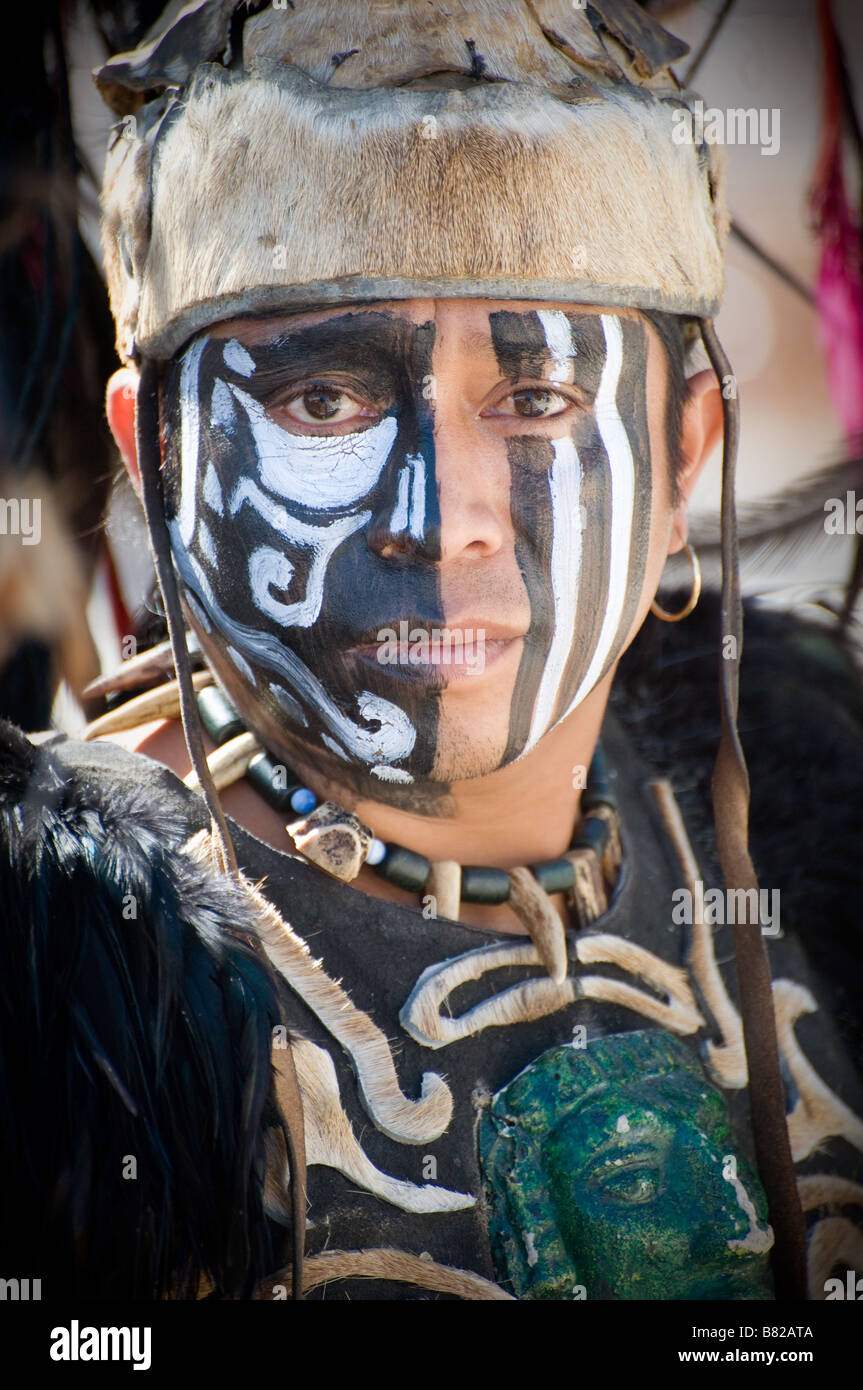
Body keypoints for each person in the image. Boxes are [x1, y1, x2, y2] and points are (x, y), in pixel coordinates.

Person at [1, 0, 862, 1302]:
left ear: (684, 455)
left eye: (537, 397)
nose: (440, 518)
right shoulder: (54, 975)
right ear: (158, 455)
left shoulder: (810, 835)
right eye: (327, 397)